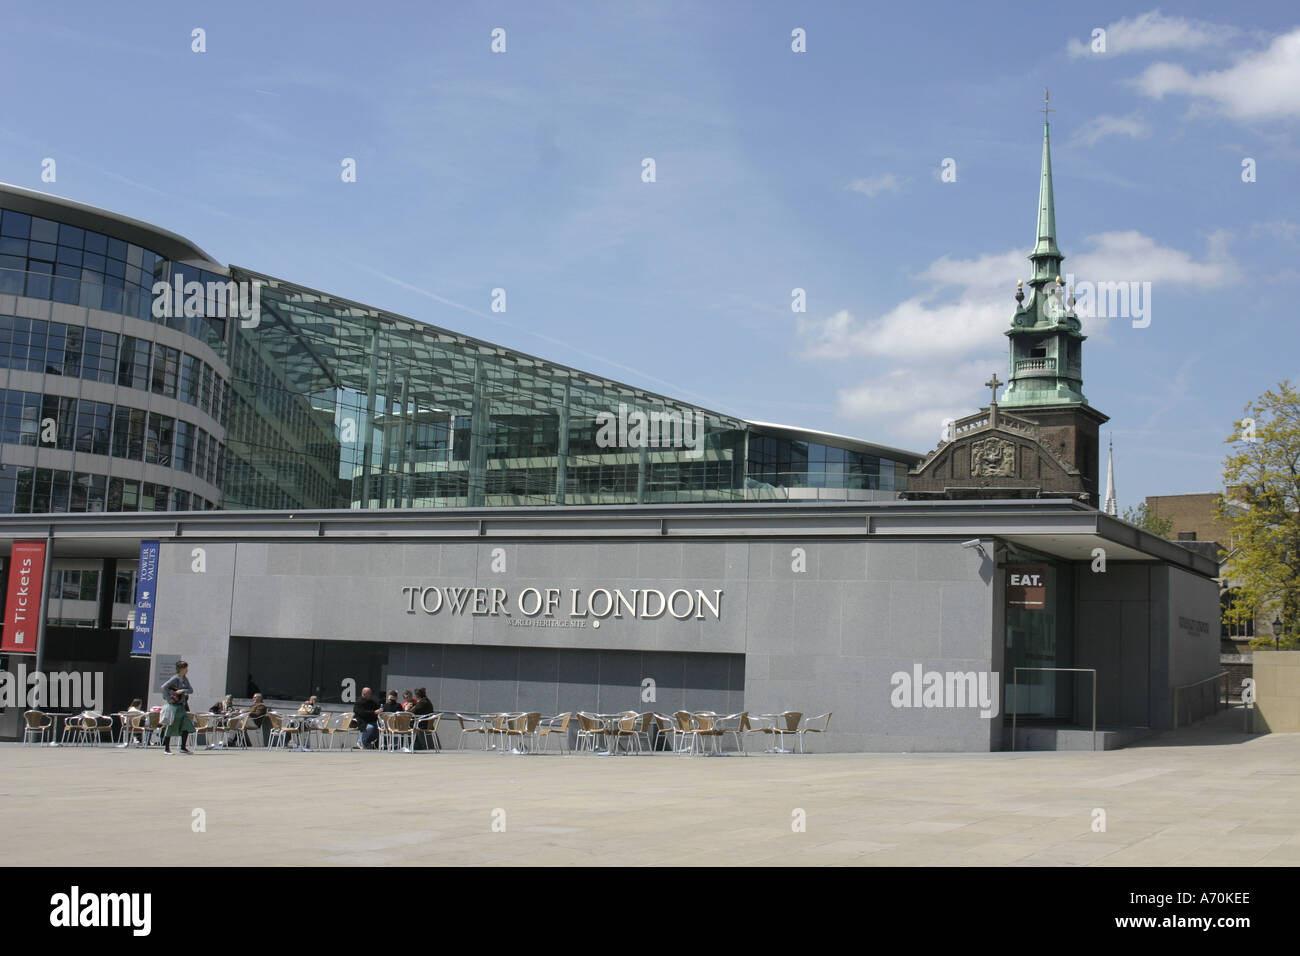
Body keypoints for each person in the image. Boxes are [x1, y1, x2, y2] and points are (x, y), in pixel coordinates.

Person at [159, 660, 195, 755]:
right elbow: (163, 687)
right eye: (185, 668)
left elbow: (191, 690)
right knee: (171, 726)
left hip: (181, 706)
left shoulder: (185, 679)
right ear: (181, 669)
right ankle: (167, 749)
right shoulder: (175, 678)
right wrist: (168, 698)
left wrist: (182, 690)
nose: (187, 670)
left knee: (186, 725)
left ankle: (183, 747)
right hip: (173, 706)